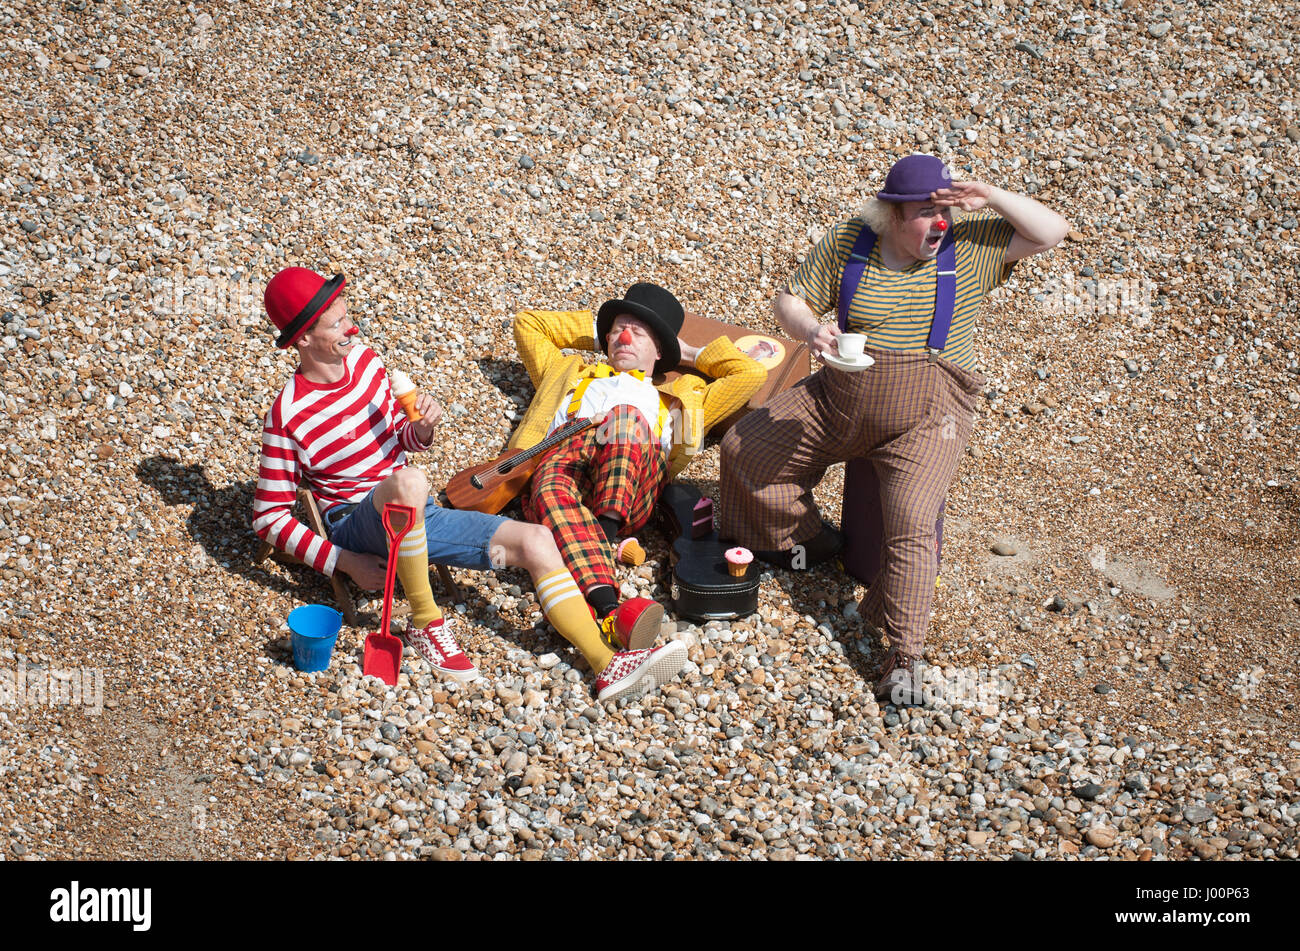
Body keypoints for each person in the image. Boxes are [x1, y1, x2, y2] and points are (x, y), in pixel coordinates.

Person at [719, 154, 1070, 704]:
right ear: (891, 214)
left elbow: (1053, 231)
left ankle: (904, 654)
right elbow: (788, 299)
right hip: (841, 396)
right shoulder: (851, 240)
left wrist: (991, 195)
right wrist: (811, 330)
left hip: (930, 415)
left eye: (943, 211)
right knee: (746, 447)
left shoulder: (970, 244)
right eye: (925, 213)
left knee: (911, 522)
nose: (939, 224)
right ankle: (811, 540)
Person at [252, 267, 688, 703]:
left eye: (349, 316)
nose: (353, 328)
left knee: (535, 539)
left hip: (415, 516)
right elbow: (269, 518)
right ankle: (425, 621)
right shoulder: (288, 413)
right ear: (304, 340)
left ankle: (604, 663)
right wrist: (343, 561)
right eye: (337, 324)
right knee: (410, 480)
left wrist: (419, 431)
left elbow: (397, 441)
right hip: (354, 523)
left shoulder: (367, 363)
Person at [510, 282, 766, 642]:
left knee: (626, 418)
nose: (625, 337)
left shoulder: (681, 398)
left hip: (633, 478)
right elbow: (528, 323)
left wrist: (685, 353)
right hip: (565, 458)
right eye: (618, 330)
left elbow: (750, 374)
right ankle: (610, 612)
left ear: (659, 349)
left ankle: (605, 531)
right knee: (550, 487)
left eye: (639, 333)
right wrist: (603, 335)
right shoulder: (569, 373)